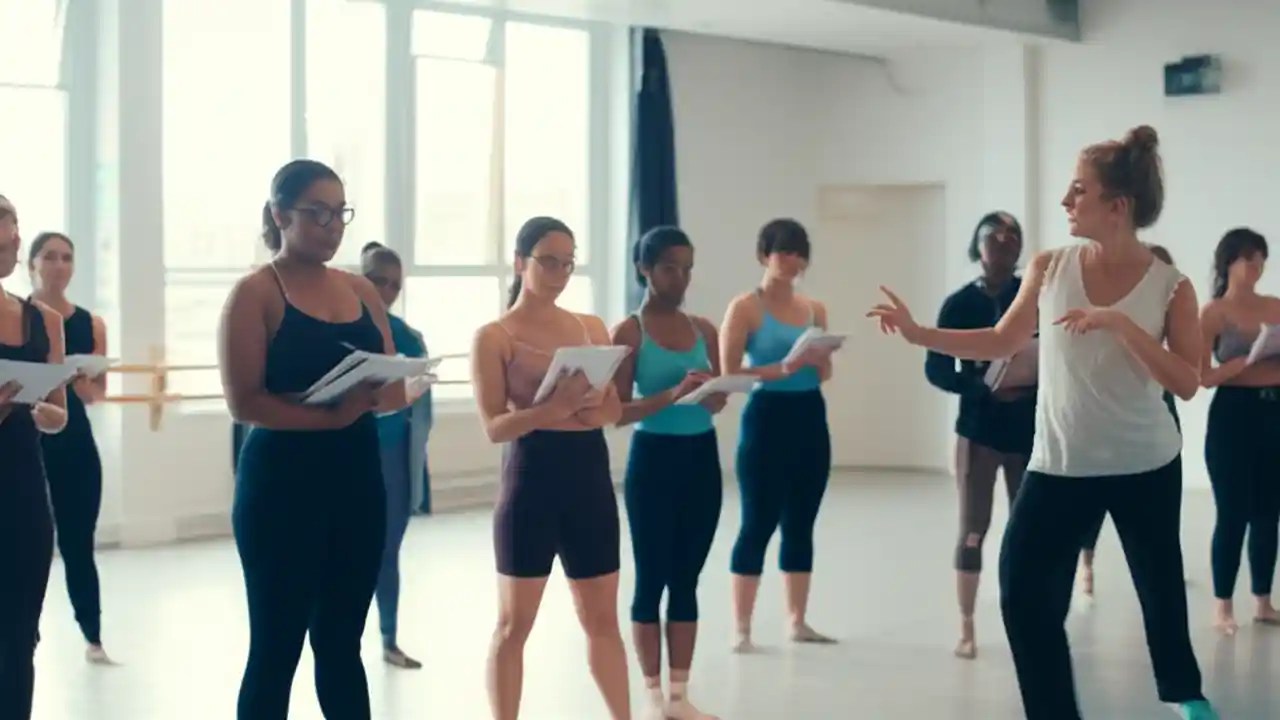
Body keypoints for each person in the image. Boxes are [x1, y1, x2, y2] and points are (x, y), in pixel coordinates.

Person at [867, 126, 1218, 720]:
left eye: (1078, 190)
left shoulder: (1172, 287)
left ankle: (1187, 697)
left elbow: (1188, 381)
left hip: (1146, 462)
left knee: (1159, 591)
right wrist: (921, 332)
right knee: (1024, 593)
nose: (1065, 201)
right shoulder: (1051, 266)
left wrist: (1121, 324)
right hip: (1062, 462)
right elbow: (1003, 338)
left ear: (1117, 206)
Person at [218, 160, 407, 719]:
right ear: (280, 215)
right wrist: (329, 417)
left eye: (340, 213)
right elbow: (244, 401)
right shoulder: (255, 292)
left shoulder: (359, 290)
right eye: (317, 213)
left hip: (355, 480)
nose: (331, 225)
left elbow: (389, 380)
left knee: (342, 646)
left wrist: (398, 385)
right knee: (277, 650)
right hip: (282, 485)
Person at [471, 216, 630, 720]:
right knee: (514, 625)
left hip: (589, 480)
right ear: (521, 262)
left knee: (602, 620)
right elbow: (495, 427)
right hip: (531, 480)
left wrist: (595, 405)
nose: (560, 271)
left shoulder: (590, 327)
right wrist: (552, 409)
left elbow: (614, 412)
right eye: (549, 261)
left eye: (568, 261)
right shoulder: (495, 336)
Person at [611, 226, 725, 720]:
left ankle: (679, 698)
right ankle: (652, 695)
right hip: (653, 461)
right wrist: (671, 396)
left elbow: (716, 398)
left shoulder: (706, 329)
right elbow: (615, 411)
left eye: (686, 268)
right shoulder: (629, 332)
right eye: (669, 267)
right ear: (645, 269)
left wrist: (715, 394)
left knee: (686, 579)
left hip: (702, 459)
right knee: (651, 578)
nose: (680, 278)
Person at [719, 218, 837, 652]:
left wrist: (820, 361)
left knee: (801, 523)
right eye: (783, 251)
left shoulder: (815, 309)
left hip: (809, 416)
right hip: (766, 416)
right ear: (764, 255)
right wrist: (782, 368)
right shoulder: (745, 307)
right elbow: (729, 372)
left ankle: (797, 621)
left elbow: (824, 373)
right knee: (758, 522)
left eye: (799, 252)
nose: (792, 260)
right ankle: (742, 627)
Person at [924, 211, 1036, 660]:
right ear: (978, 245)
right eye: (995, 236)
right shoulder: (958, 304)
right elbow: (936, 367)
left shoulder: (1034, 299)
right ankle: (967, 625)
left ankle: (1025, 617)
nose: (1005, 244)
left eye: (1013, 238)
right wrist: (977, 386)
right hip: (978, 430)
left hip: (1027, 430)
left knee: (1028, 528)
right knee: (973, 529)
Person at [1077, 243, 1181, 599]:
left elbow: (1183, 372)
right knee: (1092, 502)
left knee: (1158, 507)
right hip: (1108, 409)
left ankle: (1158, 565)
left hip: (1155, 406)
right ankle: (1086, 561)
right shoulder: (1117, 303)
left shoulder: (1173, 305)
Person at [27, 232, 113, 664]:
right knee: (27, 545)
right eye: (50, 257)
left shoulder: (91, 323)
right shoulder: (17, 317)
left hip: (76, 445)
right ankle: (25, 634)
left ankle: (93, 635)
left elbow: (97, 393)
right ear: (33, 264)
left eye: (67, 257)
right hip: (28, 445)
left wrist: (78, 378)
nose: (59, 265)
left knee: (80, 542)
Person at [0, 194, 69, 719]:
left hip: (22, 491)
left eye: (15, 236)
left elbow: (58, 412)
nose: (12, 246)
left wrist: (39, 410)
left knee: (20, 634)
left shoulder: (43, 320)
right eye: (4, 239)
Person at [1196, 227, 1280, 634]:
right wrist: (1244, 363)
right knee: (1232, 513)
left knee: (1268, 512)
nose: (1256, 264)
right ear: (1228, 261)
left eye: (1261, 256)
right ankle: (1223, 606)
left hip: (1274, 411)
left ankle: (1263, 600)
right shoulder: (1214, 312)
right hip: (1233, 415)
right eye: (1248, 257)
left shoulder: (1276, 306)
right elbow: (1202, 376)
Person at [360, 241, 433, 668]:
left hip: (394, 457)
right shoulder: (339, 324)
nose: (385, 291)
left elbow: (419, 412)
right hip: (349, 453)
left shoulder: (407, 336)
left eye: (394, 284)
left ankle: (389, 638)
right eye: (377, 280)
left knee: (388, 549)